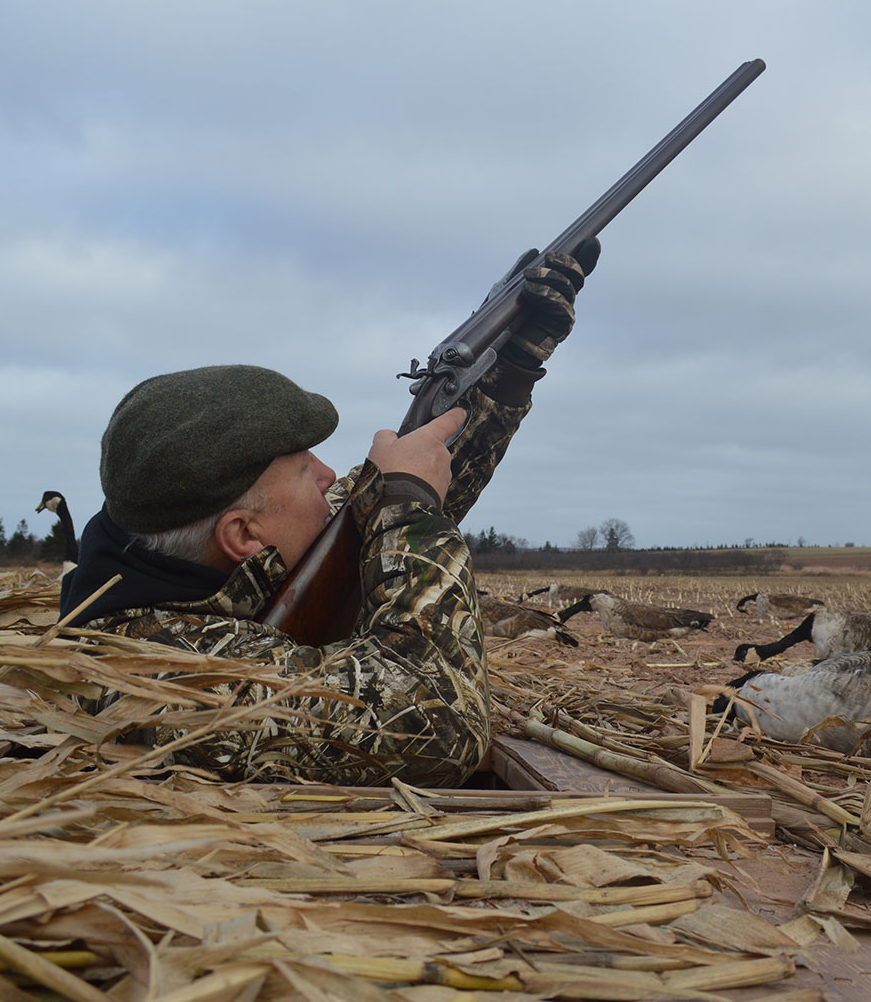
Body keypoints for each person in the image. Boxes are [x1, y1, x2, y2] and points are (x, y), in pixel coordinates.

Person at [58, 239, 599, 788]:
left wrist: (512, 363)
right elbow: (437, 723)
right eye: (300, 469)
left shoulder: (180, 572)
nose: (327, 475)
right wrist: (408, 507)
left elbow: (366, 520)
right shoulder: (167, 680)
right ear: (243, 534)